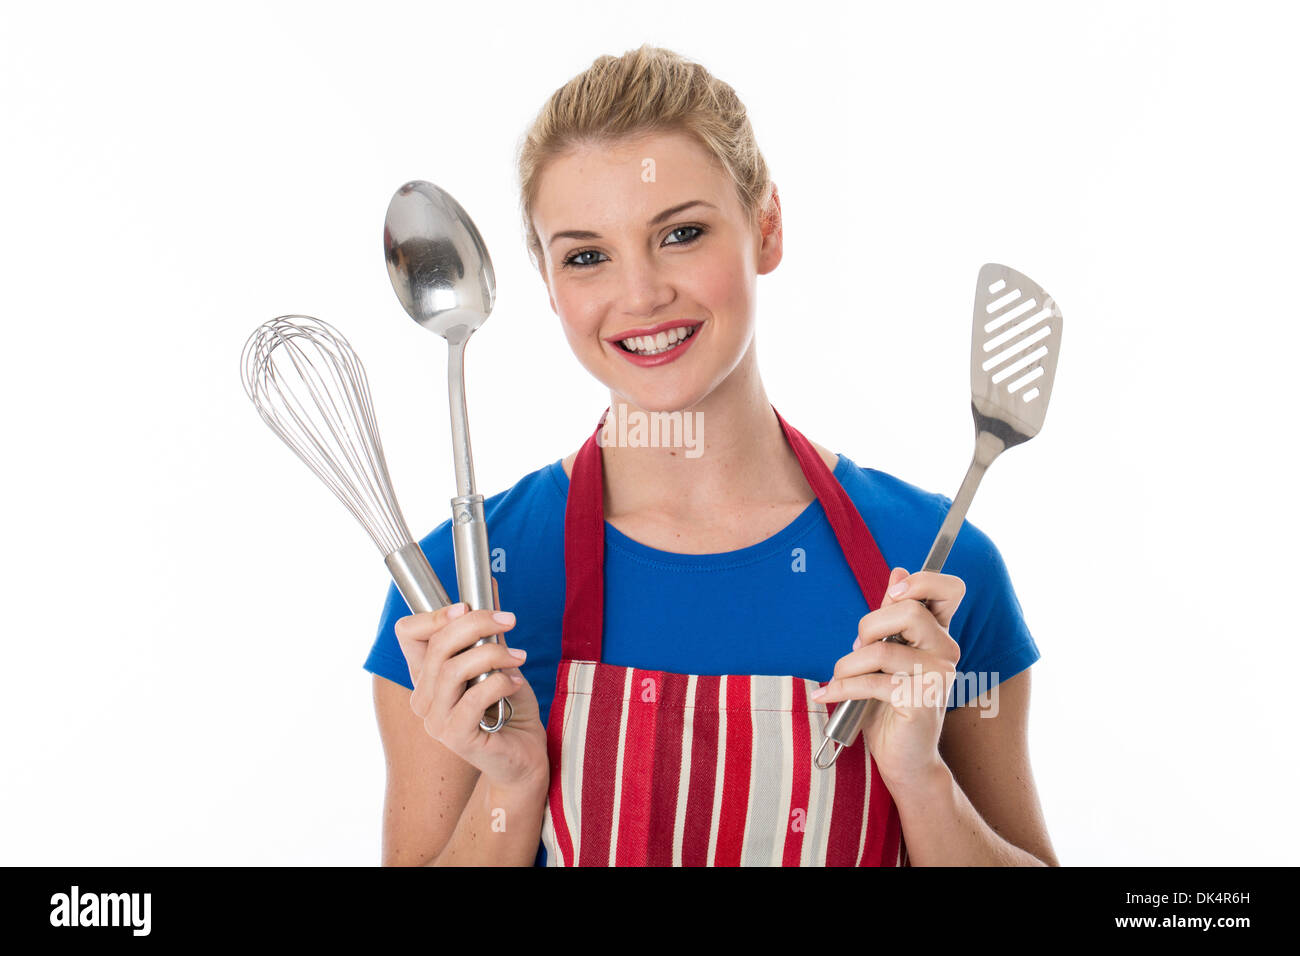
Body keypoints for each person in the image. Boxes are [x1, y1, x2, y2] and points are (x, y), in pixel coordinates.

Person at [364, 44, 1058, 867]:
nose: (642, 295)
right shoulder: (460, 600)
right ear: (547, 283)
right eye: (587, 255)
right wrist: (511, 786)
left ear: (766, 228)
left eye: (682, 234)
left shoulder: (935, 571)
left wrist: (919, 777)